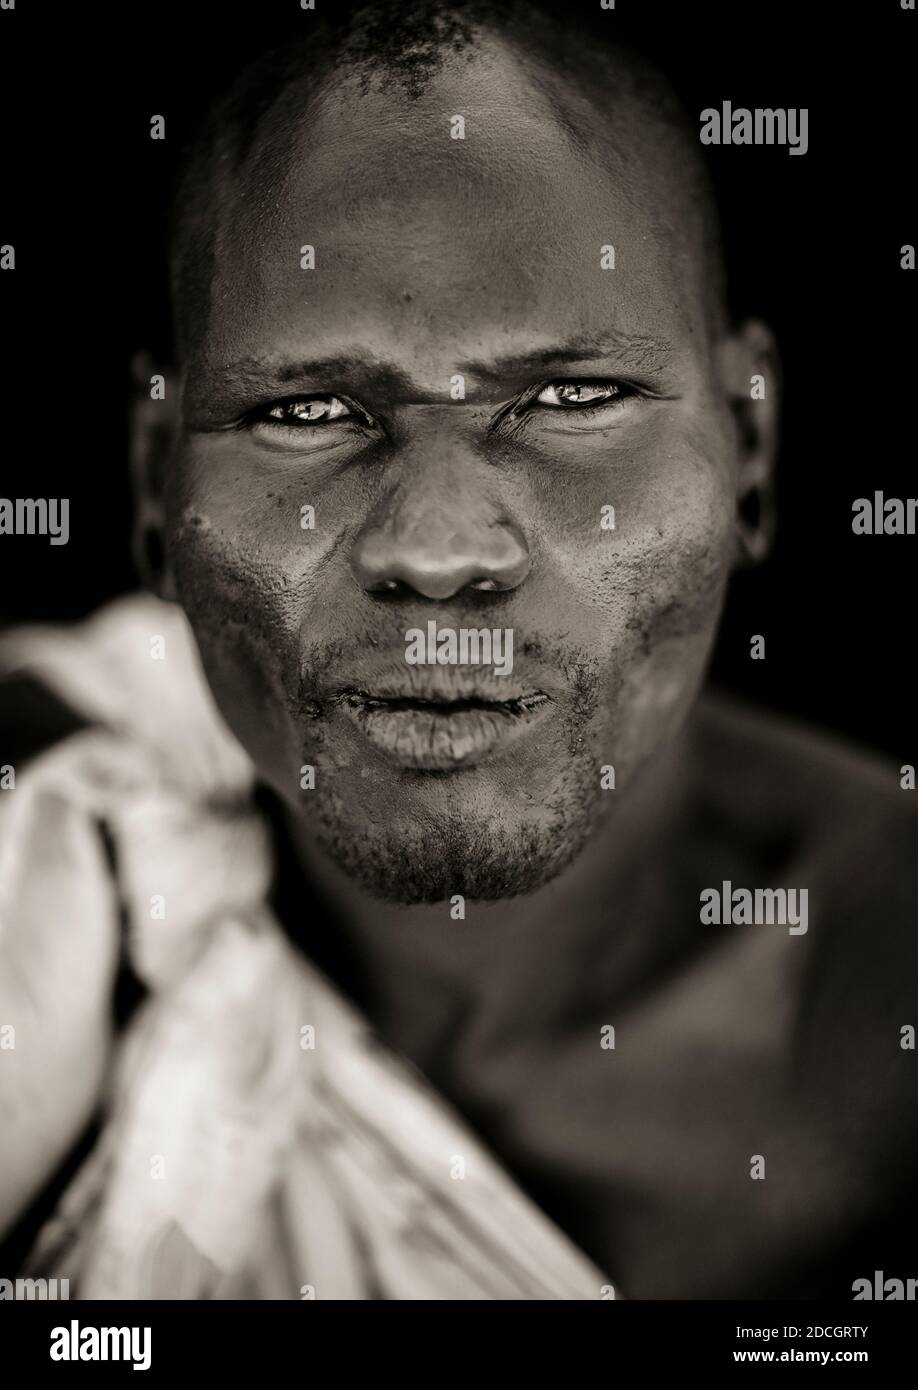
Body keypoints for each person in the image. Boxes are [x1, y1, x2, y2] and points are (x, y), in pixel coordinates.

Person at [0, 1, 915, 1300]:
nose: (434, 549)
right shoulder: (52, 838)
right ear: (157, 494)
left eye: (573, 398)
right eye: (308, 411)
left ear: (748, 454)